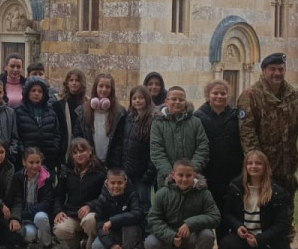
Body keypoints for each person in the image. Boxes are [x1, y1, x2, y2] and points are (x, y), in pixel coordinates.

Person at [236, 53, 298, 249]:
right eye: (272, 69)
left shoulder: (293, 94)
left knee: (286, 210)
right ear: (263, 71)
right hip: (263, 167)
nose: (277, 73)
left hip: (287, 166)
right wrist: (257, 166)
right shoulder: (251, 96)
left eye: (280, 69)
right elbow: (247, 134)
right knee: (261, 210)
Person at [219, 151, 292, 249]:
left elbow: (282, 225)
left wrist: (259, 239)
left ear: (265, 167)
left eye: (258, 163)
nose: (253, 166)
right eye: (250, 163)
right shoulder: (237, 186)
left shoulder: (277, 192)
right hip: (245, 236)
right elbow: (227, 213)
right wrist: (238, 226)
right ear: (245, 166)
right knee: (225, 246)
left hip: (265, 240)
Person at [195, 79, 243, 249]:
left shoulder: (235, 116)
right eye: (215, 93)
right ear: (208, 95)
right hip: (208, 174)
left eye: (223, 93)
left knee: (225, 215)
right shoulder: (199, 116)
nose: (219, 97)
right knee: (206, 214)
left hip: (230, 174)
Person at [146, 159, 220, 249]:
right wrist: (171, 236)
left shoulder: (204, 193)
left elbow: (215, 216)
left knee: (207, 234)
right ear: (173, 175)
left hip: (193, 235)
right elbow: (153, 219)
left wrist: (190, 224)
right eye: (180, 175)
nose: (184, 179)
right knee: (150, 242)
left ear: (194, 175)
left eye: (188, 176)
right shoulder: (162, 193)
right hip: (172, 238)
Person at [149, 86, 210, 191]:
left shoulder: (196, 122)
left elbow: (202, 147)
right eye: (173, 99)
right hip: (166, 179)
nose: (177, 102)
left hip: (192, 179)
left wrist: (189, 172)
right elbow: (157, 151)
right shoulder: (157, 124)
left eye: (181, 100)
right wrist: (172, 175)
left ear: (185, 102)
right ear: (166, 101)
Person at [52, 138, 106, 249]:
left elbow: (106, 196)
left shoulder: (101, 171)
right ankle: (74, 246)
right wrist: (58, 211)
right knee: (60, 228)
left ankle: (89, 248)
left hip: (92, 213)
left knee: (91, 220)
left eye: (82, 151)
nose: (79, 155)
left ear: (90, 151)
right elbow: (59, 195)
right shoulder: (66, 171)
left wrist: (90, 206)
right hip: (72, 213)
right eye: (75, 153)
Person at [88, 168, 144, 249]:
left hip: (129, 233)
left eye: (119, 183)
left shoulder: (133, 194)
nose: (116, 186)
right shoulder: (102, 199)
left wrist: (113, 221)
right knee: (97, 247)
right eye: (112, 183)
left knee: (131, 227)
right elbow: (100, 224)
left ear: (125, 182)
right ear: (107, 183)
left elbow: (138, 214)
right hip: (112, 233)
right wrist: (111, 244)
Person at [120, 85, 156, 213]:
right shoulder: (128, 118)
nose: (137, 101)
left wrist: (149, 172)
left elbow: (153, 149)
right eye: (134, 98)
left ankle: (146, 231)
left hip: (143, 173)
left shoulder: (152, 120)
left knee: (144, 204)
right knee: (129, 203)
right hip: (128, 170)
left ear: (147, 99)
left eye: (141, 98)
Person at [77, 73, 124, 168]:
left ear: (112, 90)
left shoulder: (120, 112)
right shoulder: (82, 111)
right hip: (89, 163)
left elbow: (121, 140)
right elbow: (77, 137)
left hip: (111, 163)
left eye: (108, 87)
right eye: (101, 86)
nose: (104, 90)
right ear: (95, 88)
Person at [15, 146, 55, 249]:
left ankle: (47, 244)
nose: (35, 166)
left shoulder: (47, 178)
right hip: (24, 217)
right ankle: (26, 241)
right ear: (24, 162)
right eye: (31, 162)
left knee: (40, 217)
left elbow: (46, 203)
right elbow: (15, 199)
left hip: (39, 214)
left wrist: (27, 213)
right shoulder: (18, 177)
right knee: (28, 235)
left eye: (38, 162)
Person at [15, 77, 61, 171]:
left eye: (40, 91)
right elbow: (16, 135)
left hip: (48, 159)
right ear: (27, 92)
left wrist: (54, 148)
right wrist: (23, 152)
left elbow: (56, 134)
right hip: (27, 160)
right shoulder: (18, 111)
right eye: (33, 90)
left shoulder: (51, 111)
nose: (36, 93)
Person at [54, 69, 87, 152]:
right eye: (71, 80)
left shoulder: (87, 103)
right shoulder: (59, 102)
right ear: (67, 83)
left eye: (77, 80)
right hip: (64, 143)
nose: (74, 83)